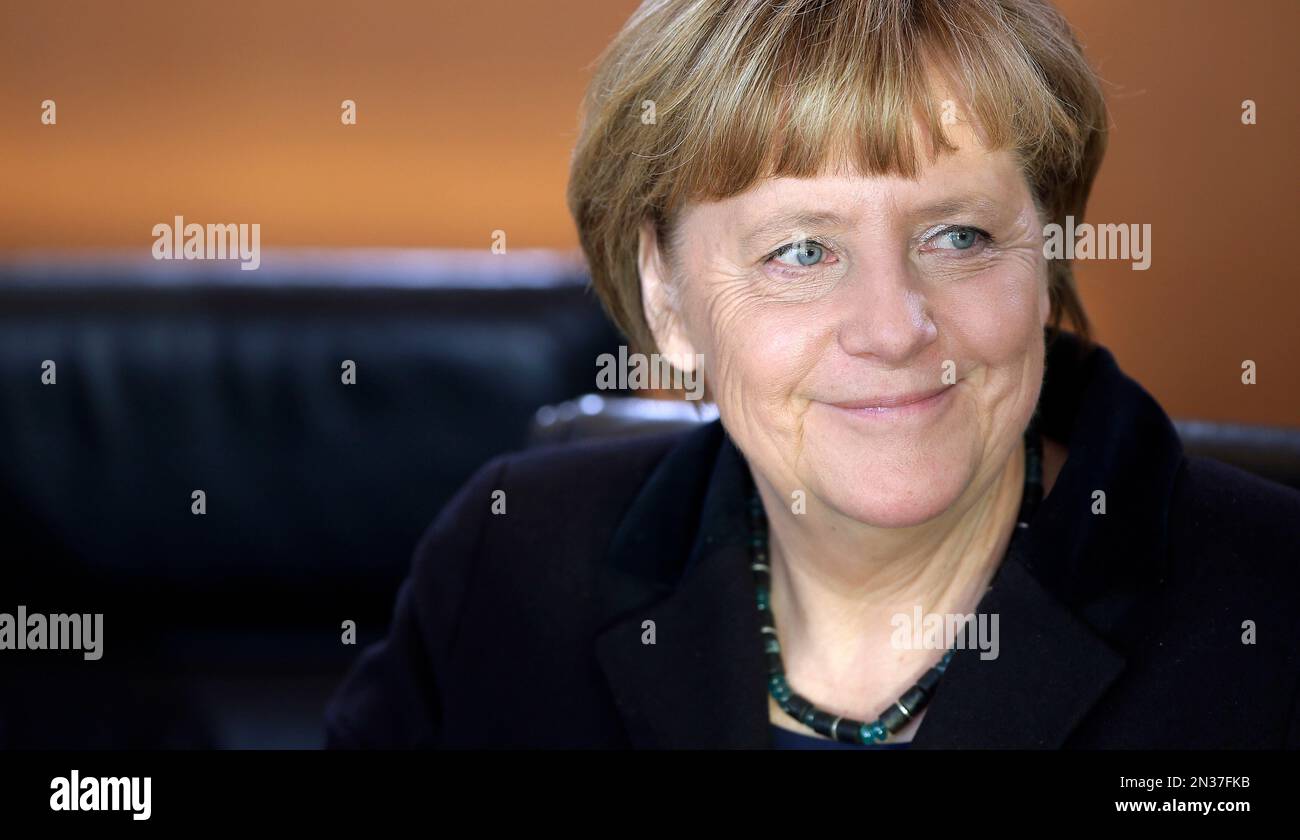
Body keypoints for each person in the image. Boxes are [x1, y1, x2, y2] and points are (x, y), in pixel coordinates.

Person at [325, 0, 1300, 749]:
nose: (893, 327)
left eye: (958, 235)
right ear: (666, 297)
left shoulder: (1271, 613)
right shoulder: (509, 567)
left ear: (1044, 259)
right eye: (800, 251)